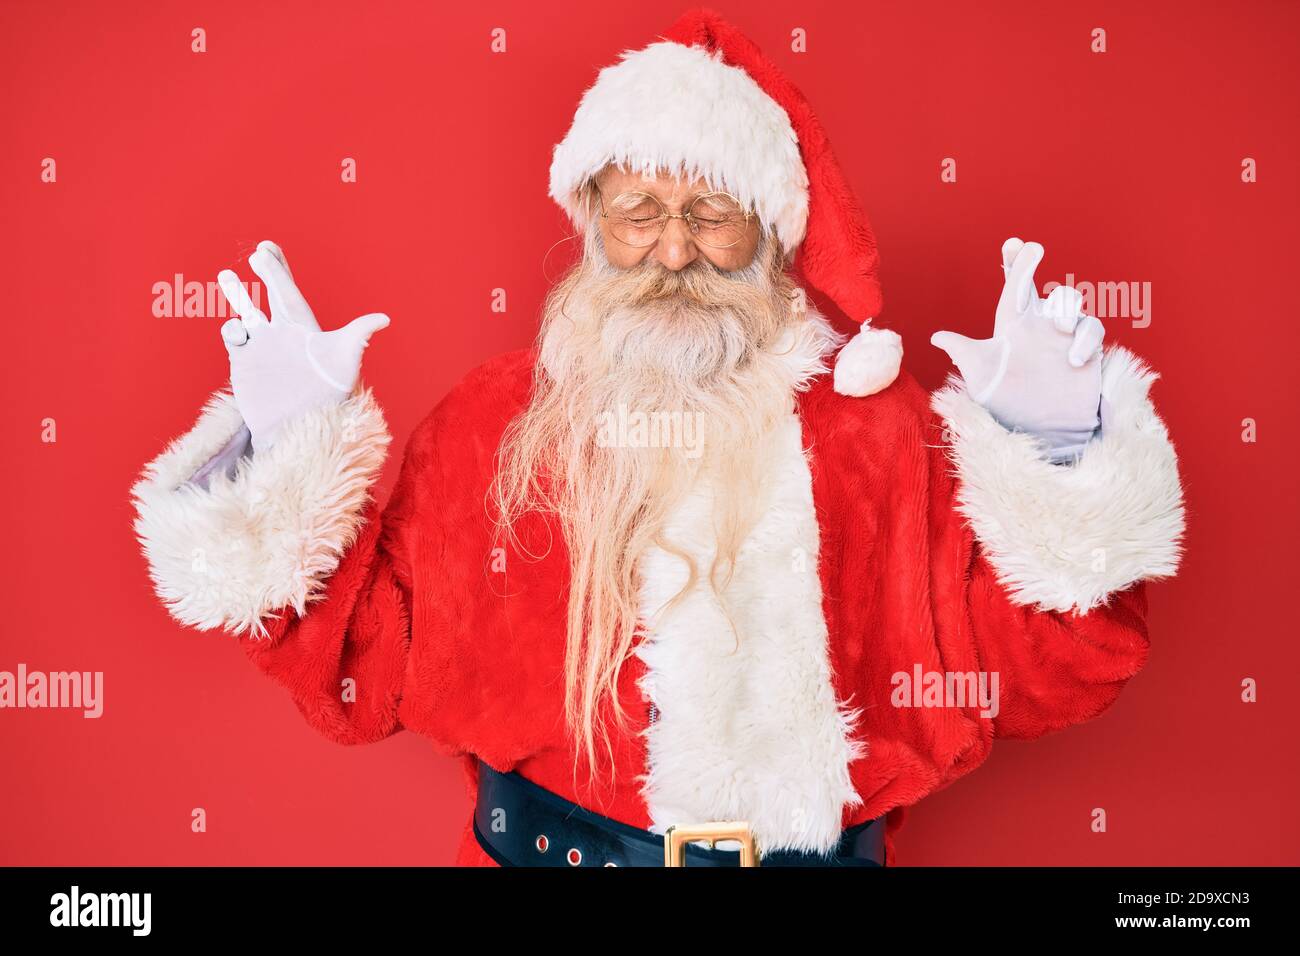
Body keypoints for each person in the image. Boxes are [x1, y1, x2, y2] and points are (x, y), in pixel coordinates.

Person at [131, 9, 1185, 867]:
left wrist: (1056, 452)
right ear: (590, 216)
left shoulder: (882, 431)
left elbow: (1057, 673)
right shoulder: (493, 424)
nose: (673, 247)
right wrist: (284, 449)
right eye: (639, 209)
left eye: (712, 212)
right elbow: (357, 676)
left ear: (773, 234)